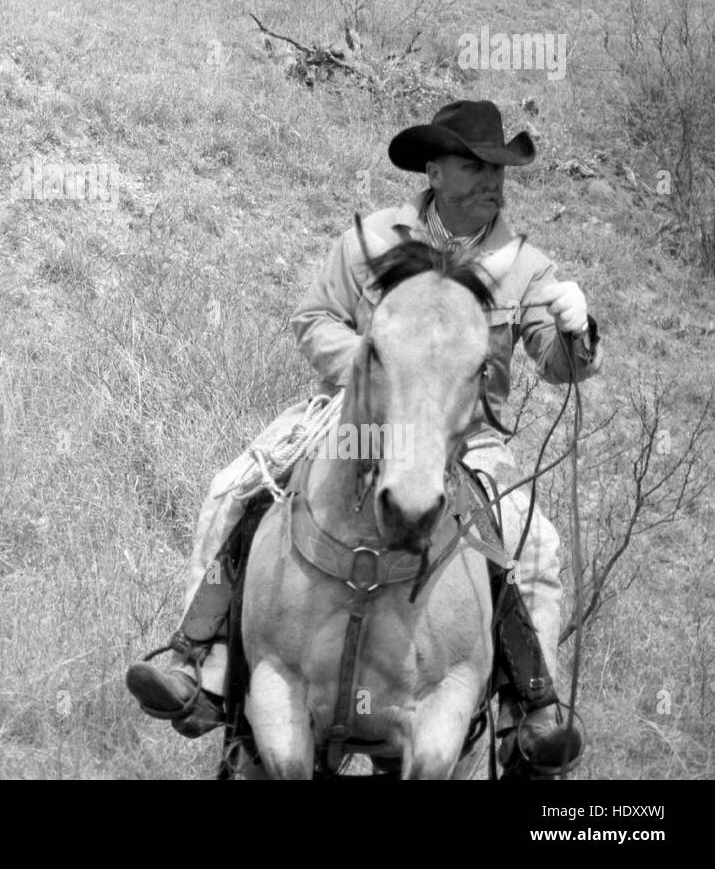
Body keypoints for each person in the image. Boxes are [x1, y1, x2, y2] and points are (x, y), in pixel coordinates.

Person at [126, 100, 601, 777]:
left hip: (464, 436)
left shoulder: (524, 265)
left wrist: (578, 330)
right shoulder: (371, 237)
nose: (492, 183)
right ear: (434, 169)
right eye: (474, 166)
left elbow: (559, 363)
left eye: (500, 171)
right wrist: (374, 368)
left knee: (534, 537)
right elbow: (314, 315)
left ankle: (529, 712)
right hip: (351, 411)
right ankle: (198, 660)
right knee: (238, 484)